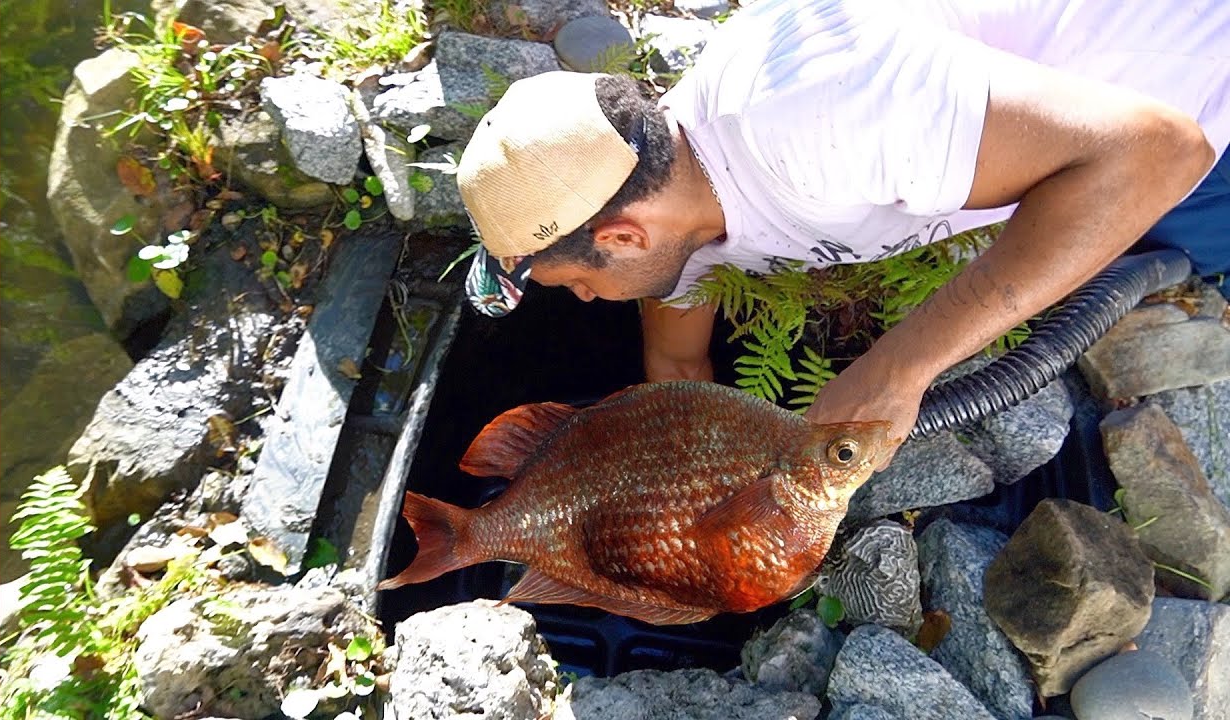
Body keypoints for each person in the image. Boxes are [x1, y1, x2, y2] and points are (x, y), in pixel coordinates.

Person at [455, 0, 1229, 466]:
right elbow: (677, 360)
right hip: (1087, 140)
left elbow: (1160, 153)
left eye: (575, 281)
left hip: (1189, 86)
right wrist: (692, 473)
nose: (586, 300)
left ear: (623, 236)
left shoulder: (817, 124)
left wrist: (897, 370)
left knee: (1197, 248)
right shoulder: (669, 186)